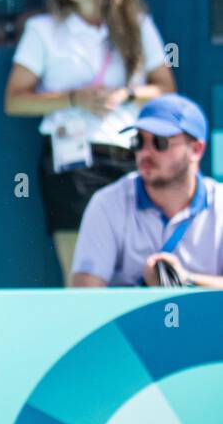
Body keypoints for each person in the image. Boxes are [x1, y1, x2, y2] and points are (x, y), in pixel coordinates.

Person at [4, 0, 174, 283]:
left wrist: (125, 94)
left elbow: (166, 89)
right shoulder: (43, 30)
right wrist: (73, 98)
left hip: (129, 156)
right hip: (71, 162)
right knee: (82, 276)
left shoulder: (137, 26)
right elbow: (15, 100)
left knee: (138, 269)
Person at [72, 95, 223, 289]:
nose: (145, 152)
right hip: (128, 321)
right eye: (139, 141)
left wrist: (184, 280)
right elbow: (85, 295)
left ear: (196, 150)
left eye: (160, 142)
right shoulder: (106, 203)